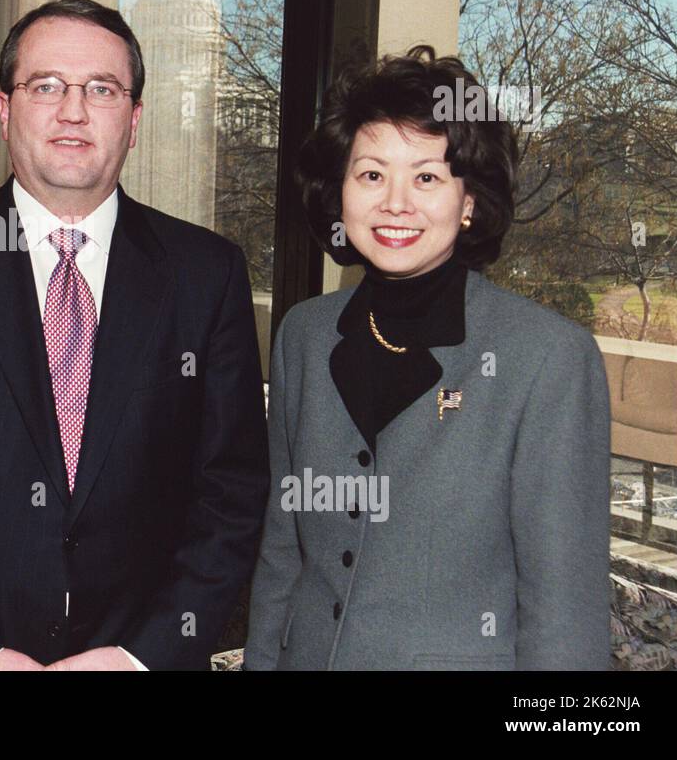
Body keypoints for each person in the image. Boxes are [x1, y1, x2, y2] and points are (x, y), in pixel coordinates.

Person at [0, 0, 268, 670]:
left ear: (133, 119)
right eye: (46, 86)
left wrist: (141, 657)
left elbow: (232, 496)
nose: (73, 109)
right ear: (5, 109)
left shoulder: (206, 275)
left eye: (101, 89)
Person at [244, 45, 611, 670]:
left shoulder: (547, 360)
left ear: (469, 202)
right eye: (371, 174)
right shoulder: (302, 338)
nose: (395, 203)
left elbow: (565, 615)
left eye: (427, 177)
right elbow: (285, 551)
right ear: (339, 193)